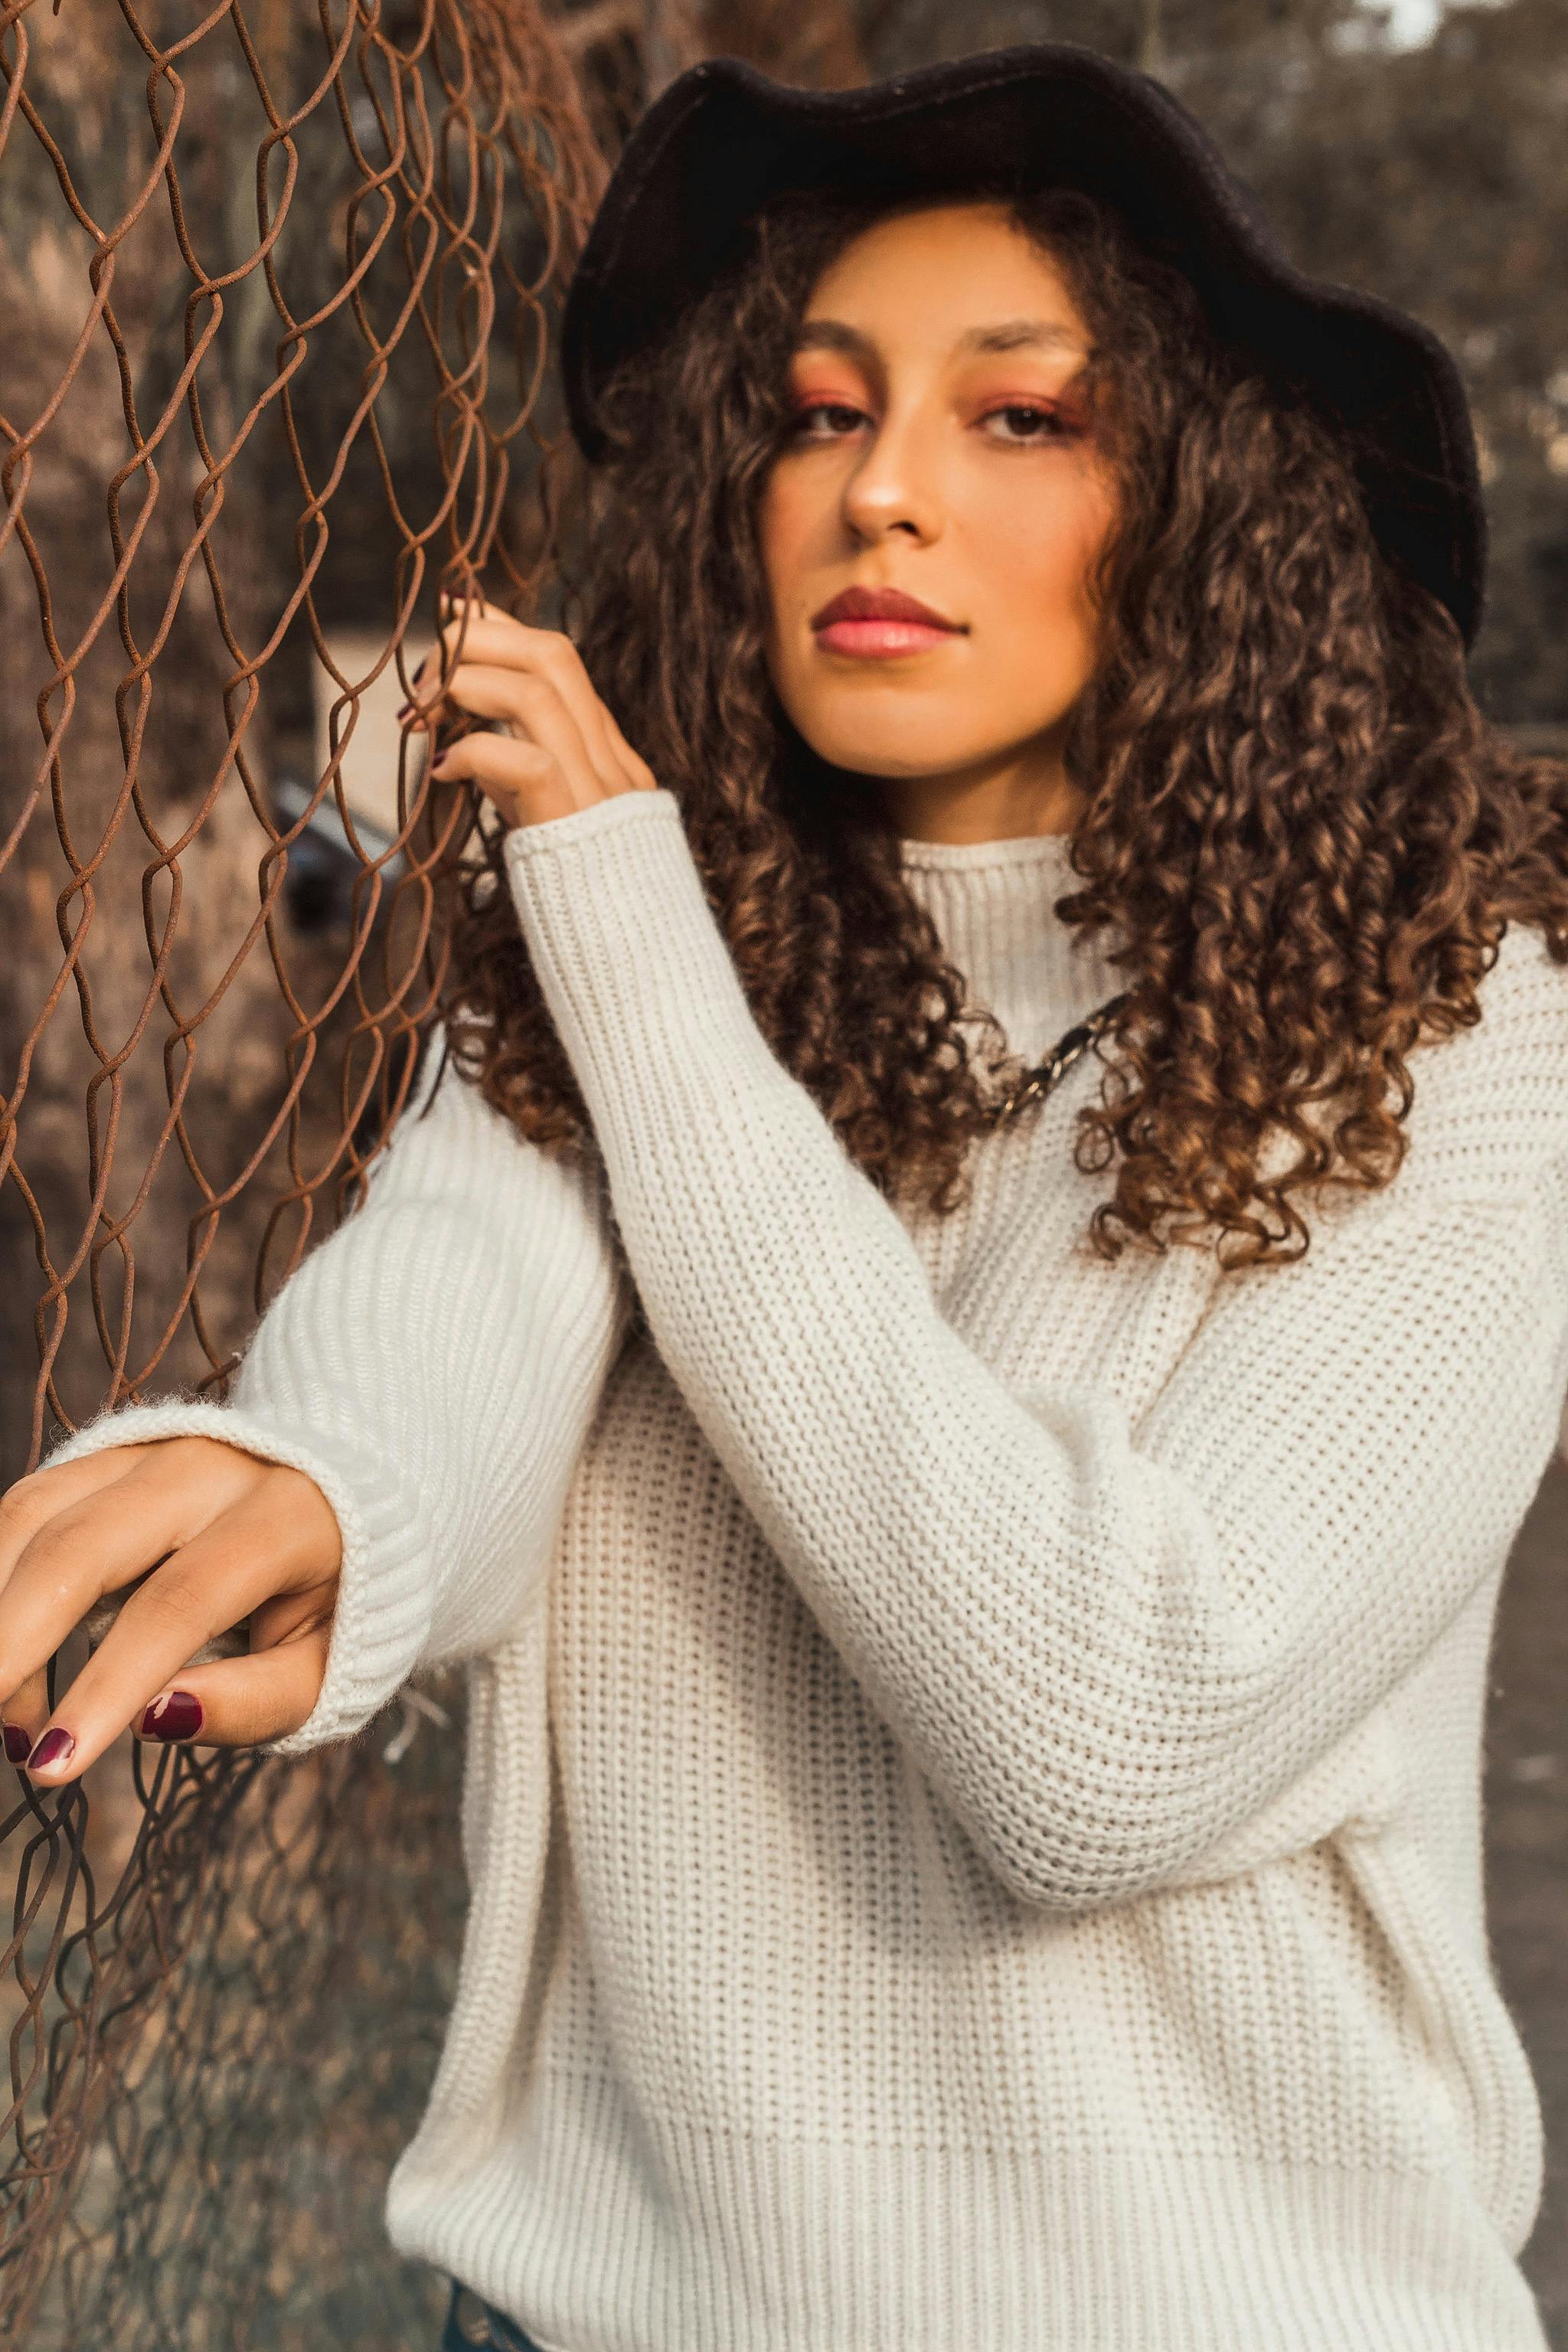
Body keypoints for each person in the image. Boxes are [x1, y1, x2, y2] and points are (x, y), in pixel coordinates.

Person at [4, 40, 1567, 2352]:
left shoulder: (1456, 1023)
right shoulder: (642, 975)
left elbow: (1104, 1733)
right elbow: (474, 1277)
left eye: (1019, 419)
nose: (882, 497)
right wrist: (322, 1476)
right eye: (822, 414)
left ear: (1213, 511)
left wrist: (628, 928)